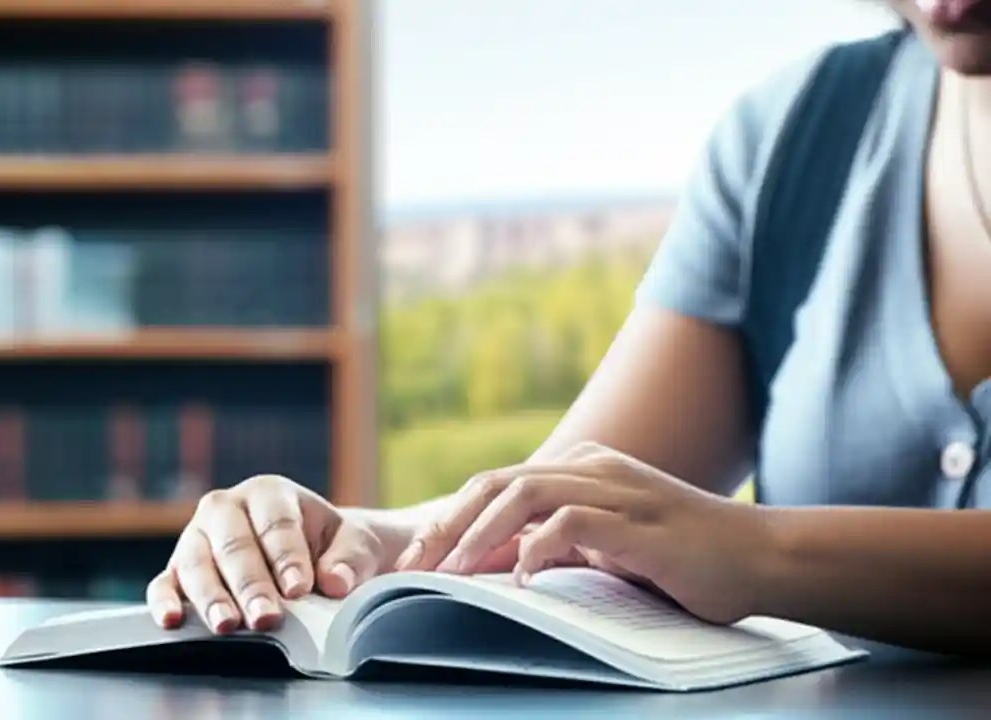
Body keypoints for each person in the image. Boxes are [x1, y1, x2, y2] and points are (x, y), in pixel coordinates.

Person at [147, 0, 991, 656]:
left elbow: (715, 541)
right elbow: (561, 507)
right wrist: (359, 538)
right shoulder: (796, 137)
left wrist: (760, 555)